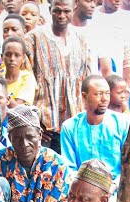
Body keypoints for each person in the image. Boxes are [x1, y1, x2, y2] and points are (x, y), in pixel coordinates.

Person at [25, 0, 95, 150]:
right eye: (57, 11)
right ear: (50, 10)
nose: (61, 15)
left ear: (74, 9)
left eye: (66, 11)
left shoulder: (82, 40)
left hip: (75, 125)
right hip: (44, 126)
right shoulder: (33, 38)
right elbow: (25, 81)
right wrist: (32, 123)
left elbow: (88, 81)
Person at [0, 104, 73, 202]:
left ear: (40, 135)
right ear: (10, 138)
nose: (24, 144)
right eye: (17, 138)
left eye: (30, 137)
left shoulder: (56, 166)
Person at [59, 75, 130, 179]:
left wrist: (114, 185)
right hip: (81, 190)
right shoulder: (69, 127)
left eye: (107, 93)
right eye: (98, 94)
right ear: (84, 96)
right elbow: (69, 169)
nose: (105, 99)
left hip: (116, 190)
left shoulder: (123, 123)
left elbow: (129, 165)